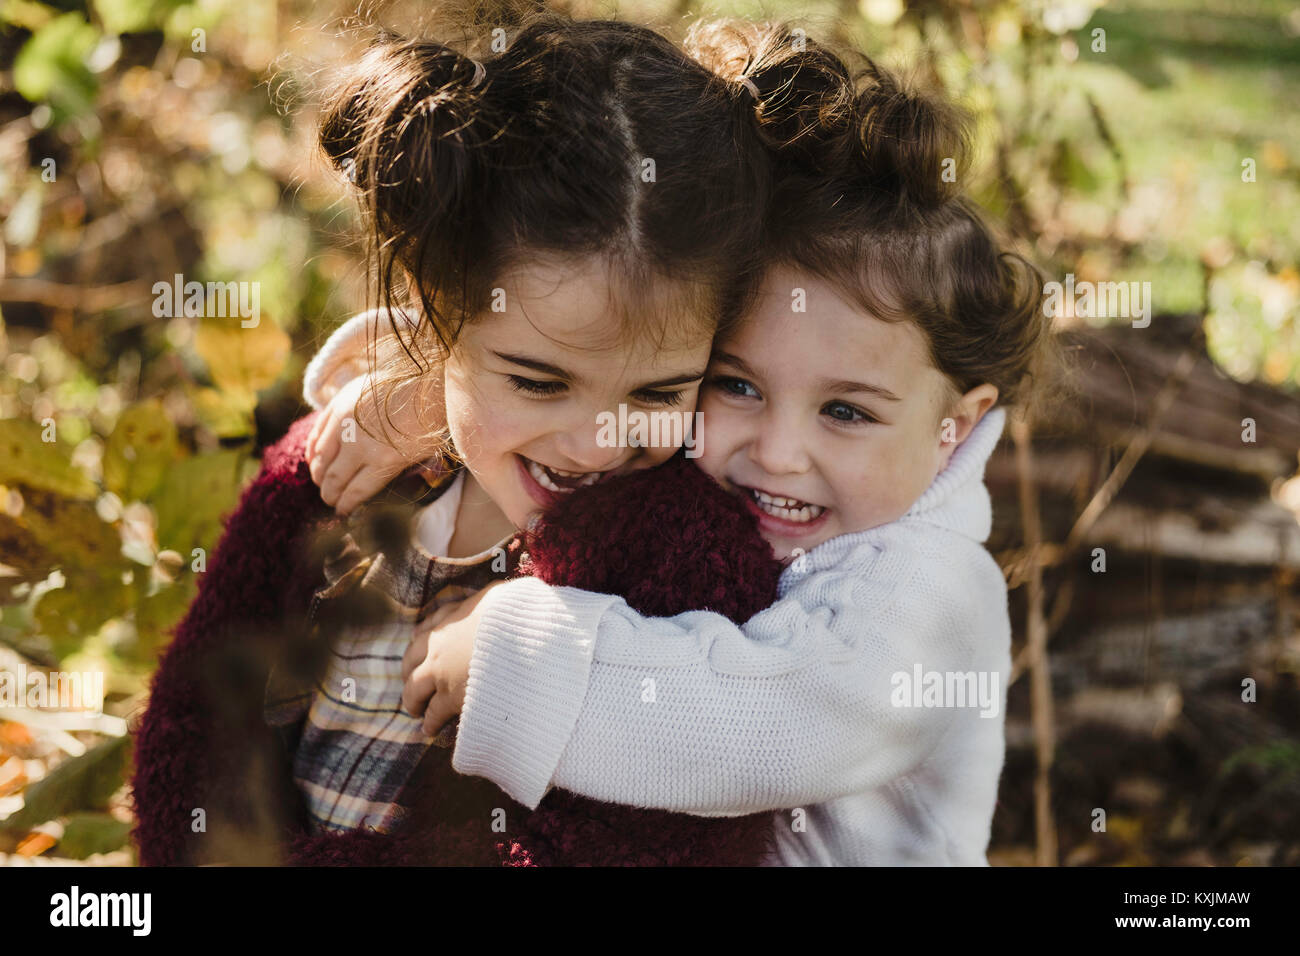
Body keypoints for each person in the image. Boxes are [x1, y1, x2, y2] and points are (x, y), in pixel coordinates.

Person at [309, 21, 1053, 865]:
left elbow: (770, 727)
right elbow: (582, 335)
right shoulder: (723, 480)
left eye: (846, 412)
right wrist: (429, 393)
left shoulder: (930, 589)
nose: (776, 452)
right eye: (735, 385)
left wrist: (527, 656)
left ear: (954, 421)